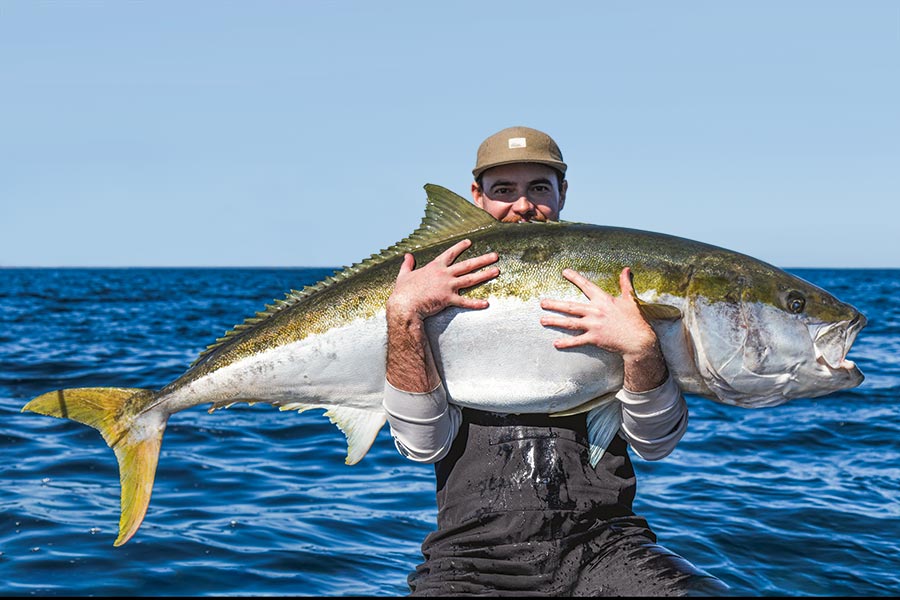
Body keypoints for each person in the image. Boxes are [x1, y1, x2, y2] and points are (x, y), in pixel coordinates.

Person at [382, 126, 730, 596]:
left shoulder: (611, 284)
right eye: (504, 190)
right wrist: (403, 315)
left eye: (539, 188)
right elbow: (421, 445)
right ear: (476, 196)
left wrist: (640, 349)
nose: (523, 205)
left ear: (562, 192)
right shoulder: (427, 296)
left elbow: (654, 444)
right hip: (470, 559)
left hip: (605, 547)